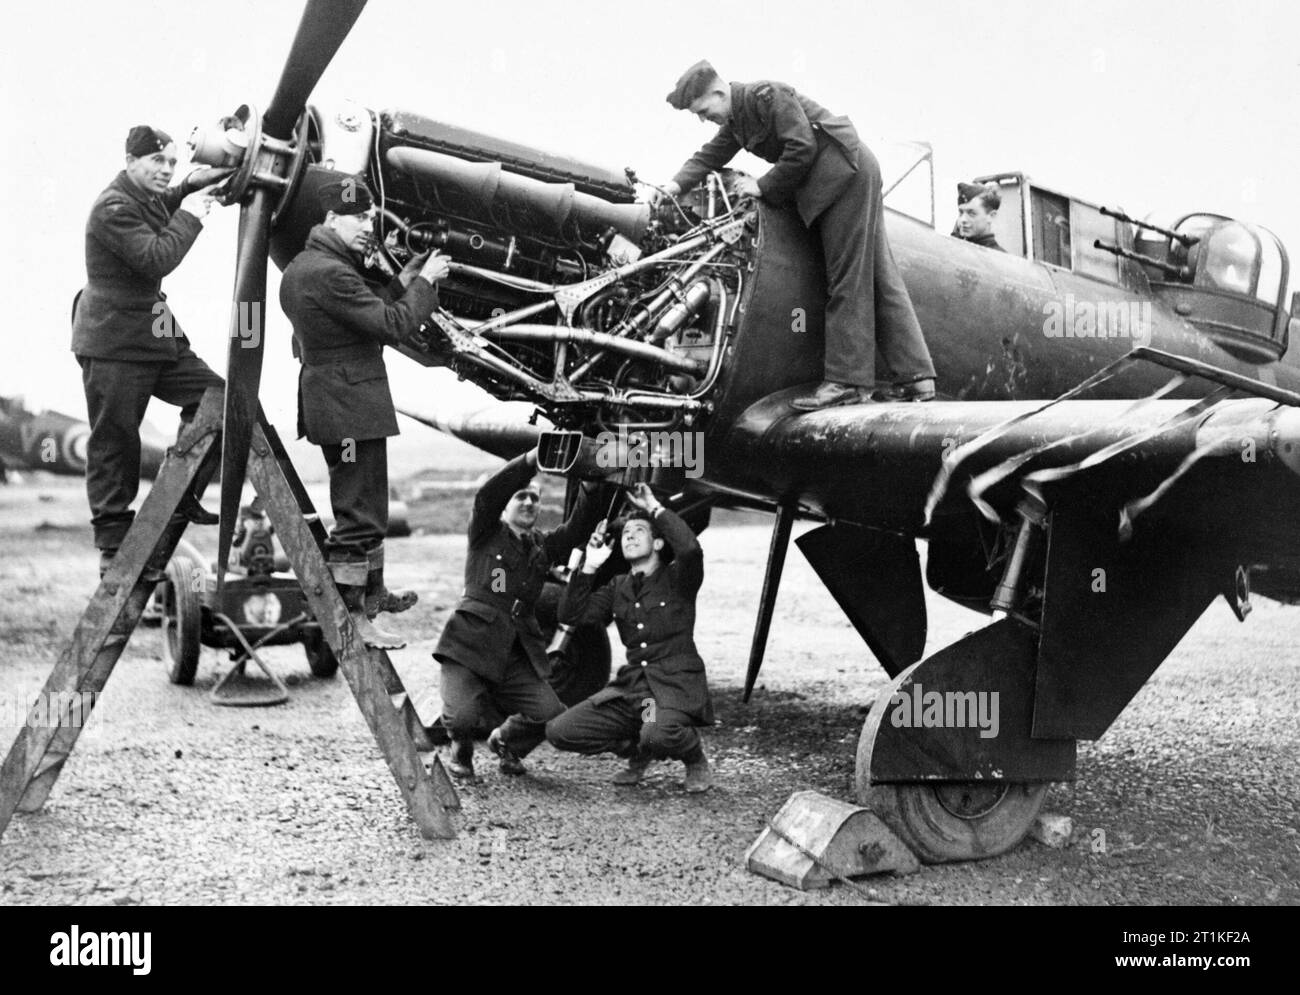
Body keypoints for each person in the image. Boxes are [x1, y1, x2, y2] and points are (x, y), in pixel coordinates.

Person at [661, 60, 936, 410]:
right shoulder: (737, 119)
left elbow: (802, 147)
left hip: (843, 173)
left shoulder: (767, 96)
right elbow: (708, 157)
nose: (703, 119)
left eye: (703, 110)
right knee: (879, 275)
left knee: (846, 277)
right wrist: (673, 186)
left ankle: (846, 382)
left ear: (718, 92)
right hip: (840, 175)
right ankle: (917, 379)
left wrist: (761, 187)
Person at [278, 175, 450, 649]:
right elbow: (390, 324)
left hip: (342, 403)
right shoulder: (330, 273)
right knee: (358, 515)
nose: (367, 226)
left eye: (370, 217)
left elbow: (364, 312)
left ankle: (372, 595)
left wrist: (407, 278)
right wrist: (428, 285)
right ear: (331, 219)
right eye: (359, 218)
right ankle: (353, 614)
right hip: (348, 407)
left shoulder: (307, 267)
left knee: (368, 506)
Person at [72, 125, 232, 576]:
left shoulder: (139, 198)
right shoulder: (113, 208)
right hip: (114, 340)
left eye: (171, 163)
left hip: (151, 332)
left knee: (219, 400)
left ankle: (178, 490)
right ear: (130, 162)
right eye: (157, 162)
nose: (166, 171)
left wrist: (193, 185)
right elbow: (157, 257)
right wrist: (195, 212)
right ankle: (112, 549)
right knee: (115, 439)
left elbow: (164, 202)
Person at [433, 452, 600, 778]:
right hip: (470, 644)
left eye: (534, 498)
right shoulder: (484, 532)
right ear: (506, 506)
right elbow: (487, 495)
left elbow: (577, 527)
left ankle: (506, 741)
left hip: (515, 649)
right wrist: (529, 462)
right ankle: (460, 744)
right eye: (521, 496)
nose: (528, 503)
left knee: (551, 713)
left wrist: (590, 490)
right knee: (462, 718)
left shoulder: (542, 545)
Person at [546, 483, 714, 793]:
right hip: (637, 692)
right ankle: (638, 749)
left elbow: (690, 549)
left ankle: (693, 756)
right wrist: (590, 566)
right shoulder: (617, 586)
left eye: (639, 531)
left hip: (672, 686)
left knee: (657, 732)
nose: (630, 536)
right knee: (560, 731)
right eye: (625, 534)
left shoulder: (678, 579)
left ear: (659, 544)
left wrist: (654, 508)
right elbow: (572, 616)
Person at [953, 182, 1005, 252]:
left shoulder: (999, 256)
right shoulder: (957, 248)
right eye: (961, 212)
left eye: (971, 213)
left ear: (991, 216)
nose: (963, 220)